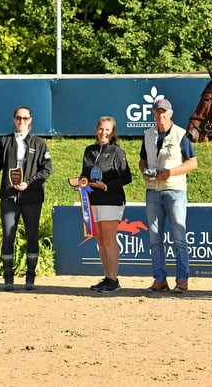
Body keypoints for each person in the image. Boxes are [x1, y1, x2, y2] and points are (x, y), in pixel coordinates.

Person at [0, 106, 52, 291]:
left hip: (32, 197)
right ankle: (8, 278)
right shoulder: (4, 141)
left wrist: (28, 183)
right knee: (8, 236)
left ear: (30, 120)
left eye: (25, 118)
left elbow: (46, 170)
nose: (21, 121)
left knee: (32, 235)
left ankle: (30, 278)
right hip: (9, 197)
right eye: (18, 118)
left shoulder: (39, 143)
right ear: (13, 119)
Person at [139, 98, 198, 293]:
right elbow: (142, 160)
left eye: (164, 112)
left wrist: (170, 172)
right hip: (153, 191)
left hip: (175, 191)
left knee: (179, 238)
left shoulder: (182, 134)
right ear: (154, 114)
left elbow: (193, 163)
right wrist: (144, 171)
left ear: (170, 113)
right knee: (155, 238)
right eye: (157, 111)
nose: (160, 115)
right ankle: (159, 279)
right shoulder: (148, 135)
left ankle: (182, 280)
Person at [82, 116, 133, 293]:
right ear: (97, 130)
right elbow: (84, 175)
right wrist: (81, 184)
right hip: (93, 201)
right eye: (101, 129)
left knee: (109, 241)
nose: (104, 132)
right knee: (100, 241)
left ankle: (114, 279)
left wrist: (107, 186)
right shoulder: (89, 151)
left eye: (108, 129)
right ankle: (107, 277)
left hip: (111, 201)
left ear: (113, 133)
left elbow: (127, 177)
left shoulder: (117, 152)